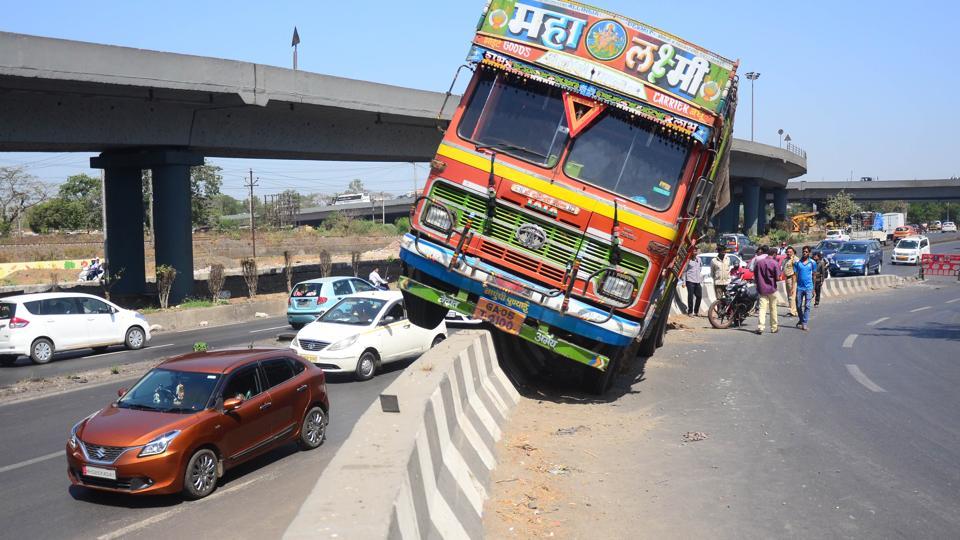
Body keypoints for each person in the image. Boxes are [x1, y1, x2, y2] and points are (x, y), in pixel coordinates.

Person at [753, 245, 780, 335]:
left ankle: (761, 327)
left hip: (762, 289)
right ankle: (774, 327)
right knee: (773, 309)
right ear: (774, 254)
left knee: (762, 309)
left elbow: (755, 275)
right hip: (772, 289)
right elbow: (778, 278)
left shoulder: (759, 262)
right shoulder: (775, 263)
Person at [794, 246, 816, 330]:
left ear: (809, 253)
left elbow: (814, 275)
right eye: (803, 251)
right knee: (798, 306)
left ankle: (805, 323)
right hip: (799, 287)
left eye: (806, 252)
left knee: (807, 306)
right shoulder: (798, 263)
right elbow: (795, 275)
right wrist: (794, 287)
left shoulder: (812, 263)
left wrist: (813, 289)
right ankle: (801, 319)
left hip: (809, 287)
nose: (804, 253)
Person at [681, 247, 703, 316]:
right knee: (690, 296)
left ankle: (696, 311)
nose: (694, 252)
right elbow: (684, 272)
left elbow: (700, 268)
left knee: (699, 296)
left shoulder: (699, 259)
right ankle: (690, 312)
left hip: (697, 281)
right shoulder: (688, 260)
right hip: (689, 281)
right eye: (693, 251)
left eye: (695, 251)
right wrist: (684, 282)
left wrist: (700, 277)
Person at [781, 246, 798, 317]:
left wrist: (794, 283)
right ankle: (794, 310)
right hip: (787, 279)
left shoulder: (795, 259)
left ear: (793, 252)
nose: (789, 253)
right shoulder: (785, 259)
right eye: (787, 252)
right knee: (789, 296)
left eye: (790, 252)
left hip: (792, 279)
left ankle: (793, 311)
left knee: (792, 295)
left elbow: (795, 272)